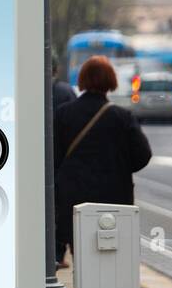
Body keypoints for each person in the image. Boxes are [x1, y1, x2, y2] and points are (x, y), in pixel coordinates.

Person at [53, 55, 152, 265]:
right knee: (111, 259)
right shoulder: (122, 116)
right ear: (111, 82)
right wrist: (121, 167)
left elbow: (54, 158)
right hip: (114, 198)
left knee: (82, 258)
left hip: (74, 198)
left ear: (82, 80)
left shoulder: (63, 114)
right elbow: (143, 155)